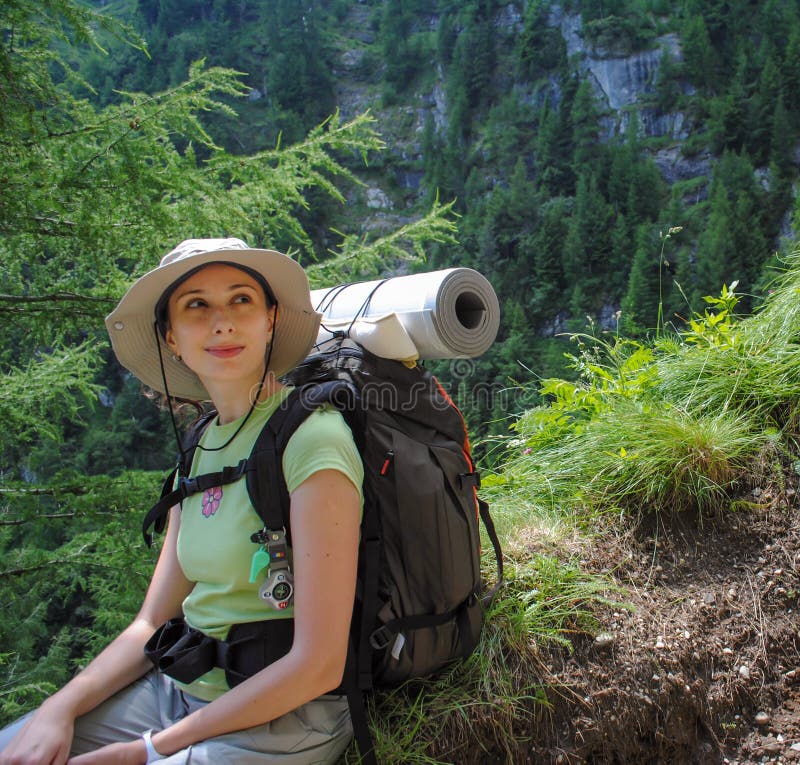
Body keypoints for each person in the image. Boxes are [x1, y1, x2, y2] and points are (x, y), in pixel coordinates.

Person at [0, 239, 363, 765]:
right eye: (196, 305)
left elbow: (318, 664)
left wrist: (149, 750)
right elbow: (150, 625)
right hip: (181, 692)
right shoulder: (198, 448)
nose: (222, 322)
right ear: (171, 337)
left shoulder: (312, 439)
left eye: (242, 300)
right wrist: (59, 707)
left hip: (286, 718)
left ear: (271, 320)